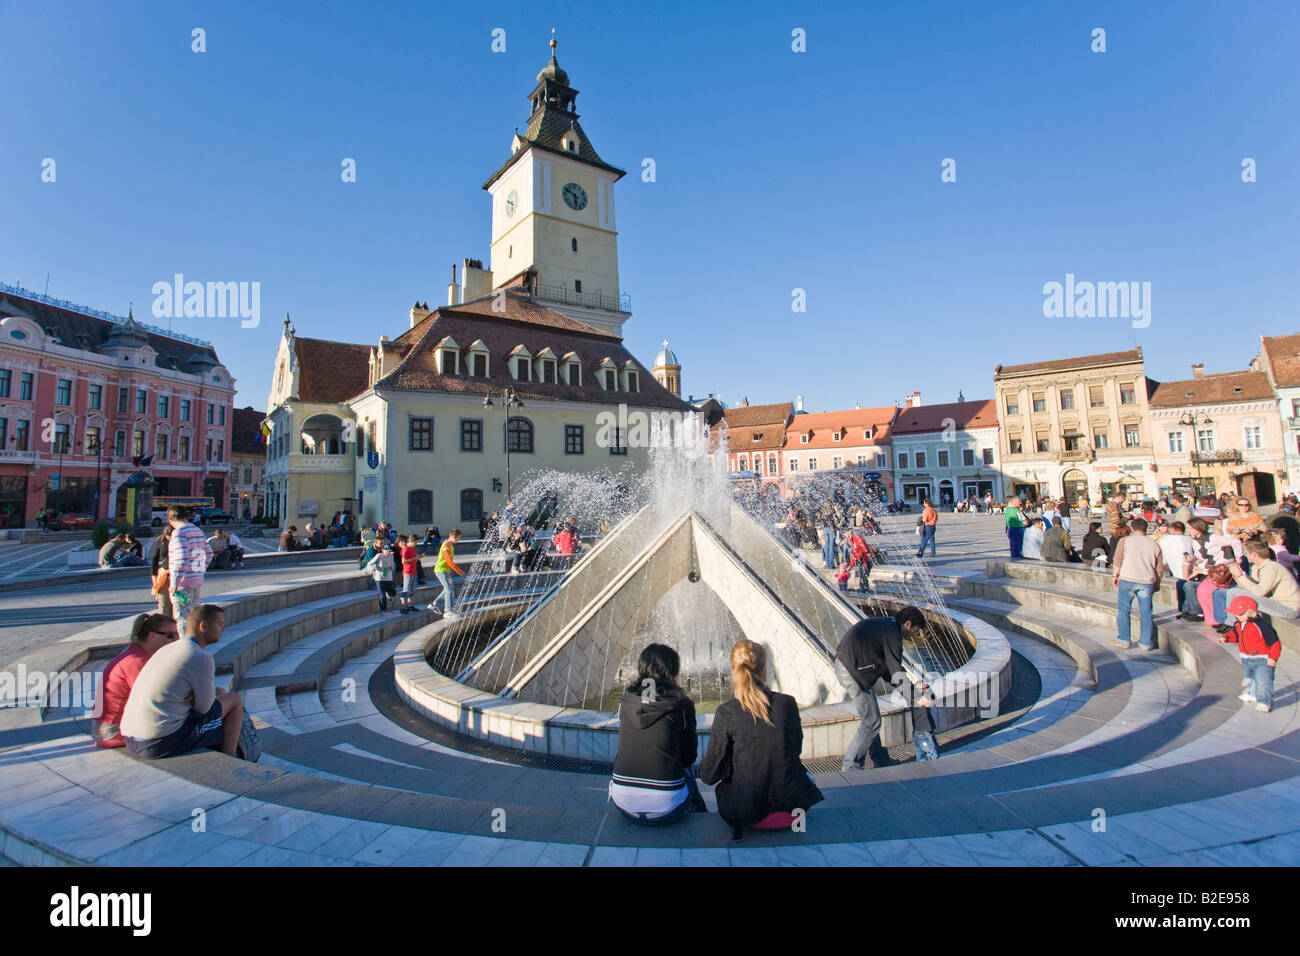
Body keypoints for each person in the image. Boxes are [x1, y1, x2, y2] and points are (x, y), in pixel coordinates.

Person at [698, 640, 824, 842]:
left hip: (745, 814)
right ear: (765, 669)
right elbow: (795, 750)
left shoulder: (726, 712)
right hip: (793, 811)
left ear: (733, 671)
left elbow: (708, 776)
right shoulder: (788, 704)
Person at [120, 604, 244, 758]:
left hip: (131, 739)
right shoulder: (200, 657)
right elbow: (203, 709)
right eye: (220, 624)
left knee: (220, 692)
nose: (223, 629)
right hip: (157, 743)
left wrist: (192, 698)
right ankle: (230, 761)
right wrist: (193, 699)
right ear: (203, 626)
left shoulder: (168, 649)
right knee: (235, 700)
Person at [608, 644, 707, 825]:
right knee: (687, 772)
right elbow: (689, 757)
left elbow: (649, 700)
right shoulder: (682, 705)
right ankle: (701, 820)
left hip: (623, 803)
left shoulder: (627, 701)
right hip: (667, 807)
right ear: (673, 671)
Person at [832, 607, 932, 770]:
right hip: (852, 672)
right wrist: (916, 697)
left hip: (851, 668)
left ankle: (880, 758)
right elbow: (894, 669)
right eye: (915, 631)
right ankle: (851, 765)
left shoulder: (887, 627)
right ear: (908, 624)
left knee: (871, 718)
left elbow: (888, 670)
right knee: (872, 721)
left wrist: (911, 687)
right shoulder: (892, 633)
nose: (914, 636)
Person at [92, 613, 180, 747]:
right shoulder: (136, 661)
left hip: (111, 726)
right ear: (152, 635)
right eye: (170, 635)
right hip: (112, 731)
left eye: (176, 635)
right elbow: (155, 699)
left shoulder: (138, 653)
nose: (175, 640)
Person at [1218, 596, 1282, 713]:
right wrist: (1226, 638)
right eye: (1236, 614)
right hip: (1246, 657)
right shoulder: (1239, 623)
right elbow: (1236, 635)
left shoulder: (1261, 626)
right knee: (1250, 678)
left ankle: (1265, 701)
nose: (1237, 617)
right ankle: (1252, 694)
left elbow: (1275, 642)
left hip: (1262, 658)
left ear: (1252, 613)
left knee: (1263, 681)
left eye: (1240, 614)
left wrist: (1273, 657)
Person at [1216, 540, 1300, 627]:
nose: (1246, 556)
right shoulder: (1261, 567)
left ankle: (1231, 625)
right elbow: (1253, 587)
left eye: (1248, 553)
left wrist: (1239, 576)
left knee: (1233, 592)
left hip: (1288, 609)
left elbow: (1260, 592)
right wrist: (1238, 576)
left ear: (1254, 554)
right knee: (1236, 589)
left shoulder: (1271, 567)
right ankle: (1235, 623)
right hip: (1279, 603)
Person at [1111, 517, 1164, 651]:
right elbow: (1159, 568)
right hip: (1147, 581)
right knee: (1146, 613)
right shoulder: (1154, 545)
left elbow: (1117, 559)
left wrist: (1115, 575)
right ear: (1146, 529)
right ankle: (1146, 642)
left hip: (1128, 578)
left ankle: (1124, 639)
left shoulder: (1125, 541)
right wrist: (1157, 583)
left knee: (1124, 610)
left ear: (1133, 529)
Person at [167, 506, 213, 637]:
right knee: (194, 615)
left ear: (170, 519)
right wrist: (199, 570)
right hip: (197, 580)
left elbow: (182, 557)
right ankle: (196, 642)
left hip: (183, 582)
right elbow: (209, 553)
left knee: (182, 617)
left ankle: (186, 645)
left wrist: (175, 582)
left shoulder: (179, 533)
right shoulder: (197, 530)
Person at [1157, 520, 1196, 612]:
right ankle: (1186, 609)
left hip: (1180, 571)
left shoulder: (1164, 539)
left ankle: (1184, 609)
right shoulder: (1189, 539)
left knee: (1182, 587)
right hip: (1189, 570)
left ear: (1173, 530)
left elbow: (1163, 559)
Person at [428, 528, 465, 618]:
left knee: (448, 589)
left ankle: (435, 604)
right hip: (441, 570)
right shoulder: (446, 546)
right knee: (449, 590)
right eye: (457, 539)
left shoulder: (449, 545)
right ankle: (448, 611)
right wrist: (459, 571)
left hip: (445, 570)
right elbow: (448, 560)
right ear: (452, 536)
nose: (458, 541)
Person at [364, 540, 396, 615]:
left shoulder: (391, 556)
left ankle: (389, 595)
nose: (387, 553)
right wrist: (371, 568)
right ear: (383, 550)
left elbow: (391, 565)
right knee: (382, 594)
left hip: (388, 576)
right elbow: (369, 563)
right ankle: (383, 610)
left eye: (389, 552)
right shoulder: (379, 556)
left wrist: (392, 567)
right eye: (386, 552)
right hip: (380, 578)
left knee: (393, 593)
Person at [151, 525, 174, 619]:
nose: (171, 539)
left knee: (180, 604)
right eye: (169, 537)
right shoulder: (161, 541)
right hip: (165, 575)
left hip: (179, 577)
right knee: (164, 605)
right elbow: (154, 559)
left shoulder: (183, 540)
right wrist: (154, 578)